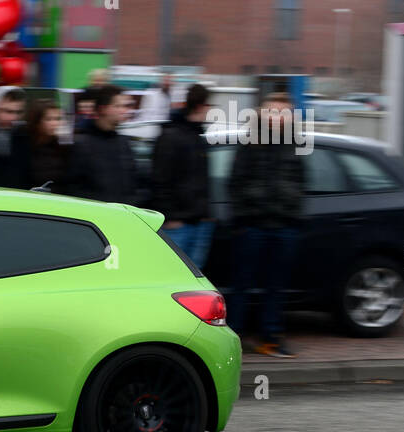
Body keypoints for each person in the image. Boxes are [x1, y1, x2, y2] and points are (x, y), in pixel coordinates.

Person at [227, 93, 306, 359]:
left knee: (276, 287)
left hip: (284, 226)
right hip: (253, 226)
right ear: (262, 114)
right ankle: (233, 339)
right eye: (272, 112)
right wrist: (242, 218)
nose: (276, 118)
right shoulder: (250, 144)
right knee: (242, 285)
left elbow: (301, 182)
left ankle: (270, 338)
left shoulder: (295, 145)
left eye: (282, 113)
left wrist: (293, 215)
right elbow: (235, 183)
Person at [150, 83, 213, 268]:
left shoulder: (197, 136)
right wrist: (169, 218)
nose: (211, 110)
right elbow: (159, 180)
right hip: (179, 225)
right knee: (175, 277)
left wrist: (206, 214)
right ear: (200, 106)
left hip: (199, 222)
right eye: (210, 105)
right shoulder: (171, 137)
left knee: (193, 283)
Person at [63, 85, 138, 204]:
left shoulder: (124, 143)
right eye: (118, 106)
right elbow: (73, 188)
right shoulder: (82, 144)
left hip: (124, 216)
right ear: (103, 109)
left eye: (126, 106)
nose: (125, 111)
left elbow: (133, 182)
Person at [26, 99, 67, 190]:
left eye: (58, 119)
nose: (55, 123)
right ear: (37, 122)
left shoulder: (64, 147)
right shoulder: (26, 145)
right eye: (49, 119)